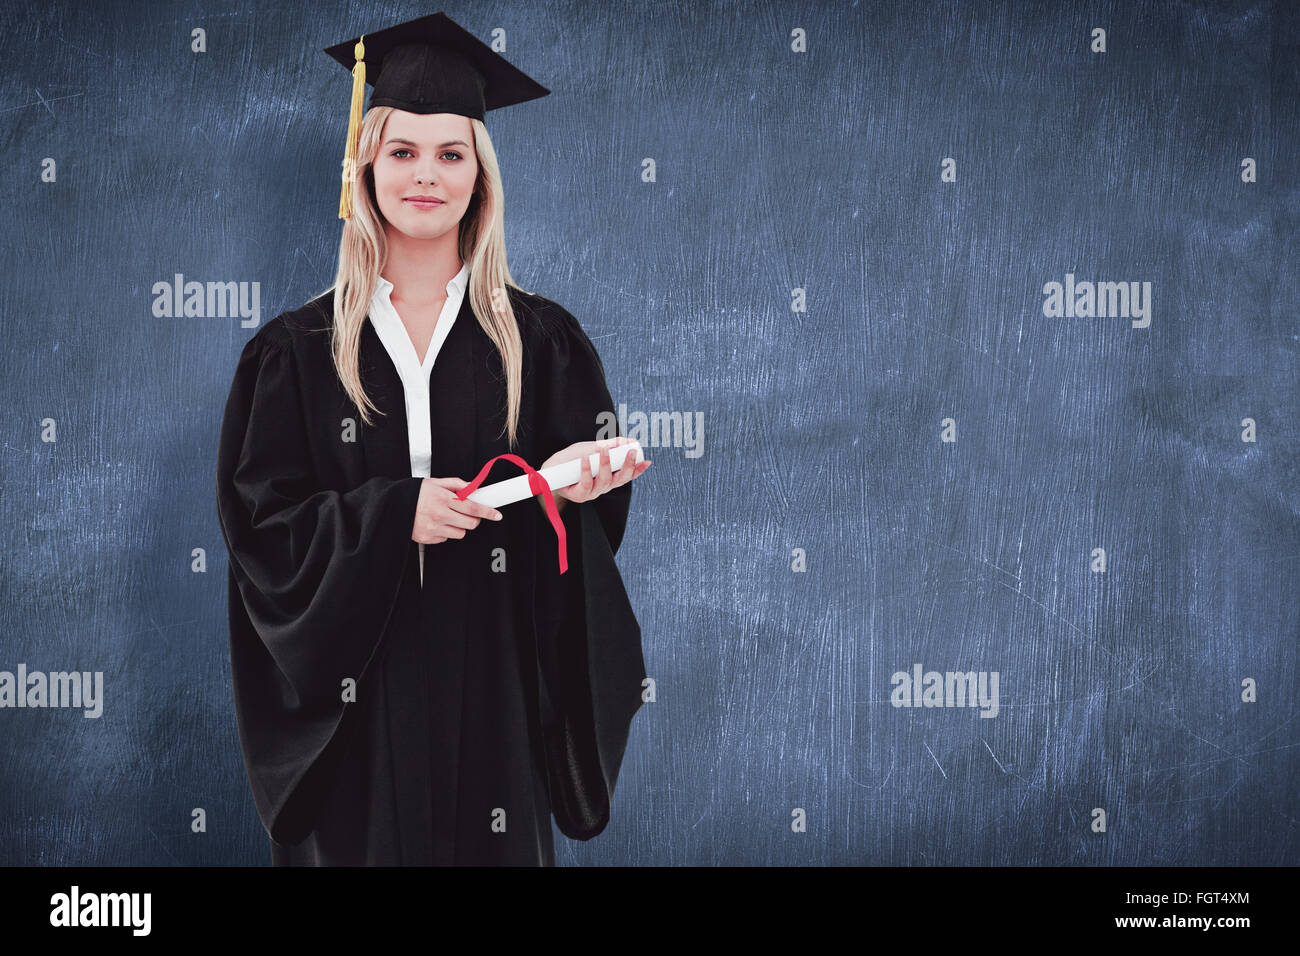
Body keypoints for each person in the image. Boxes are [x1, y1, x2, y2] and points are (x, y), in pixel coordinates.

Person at [215, 11, 651, 866]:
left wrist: (569, 489)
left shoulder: (542, 343)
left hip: (495, 690)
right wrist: (390, 518)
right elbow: (260, 533)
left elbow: (583, 546)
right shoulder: (293, 354)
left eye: (451, 153)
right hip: (357, 699)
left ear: (480, 175)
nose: (426, 175)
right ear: (365, 163)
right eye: (403, 151)